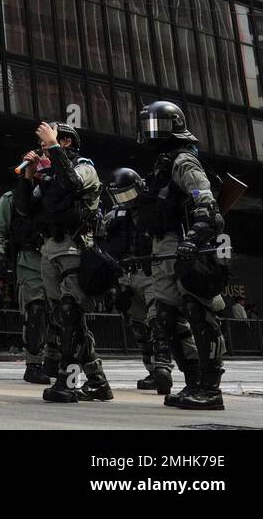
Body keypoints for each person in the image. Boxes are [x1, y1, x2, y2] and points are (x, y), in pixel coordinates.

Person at [137, 101, 228, 411]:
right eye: (148, 124)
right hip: (163, 250)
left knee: (198, 311)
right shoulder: (163, 164)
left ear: (174, 125)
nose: (152, 131)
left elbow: (205, 202)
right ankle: (192, 383)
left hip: (184, 246)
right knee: (165, 316)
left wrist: (195, 237)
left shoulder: (183, 161)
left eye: (158, 124)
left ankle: (210, 388)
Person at [27, 121, 111, 403]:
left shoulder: (85, 167)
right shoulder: (50, 175)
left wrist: (52, 149)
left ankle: (68, 381)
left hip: (75, 246)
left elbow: (73, 183)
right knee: (66, 319)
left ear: (65, 143)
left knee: (69, 312)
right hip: (51, 248)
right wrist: (27, 176)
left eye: (51, 141)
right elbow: (26, 209)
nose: (44, 146)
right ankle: (98, 382)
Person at [99, 168, 180, 395]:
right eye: (120, 197)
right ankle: (153, 370)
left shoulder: (152, 207)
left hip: (150, 271)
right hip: (126, 274)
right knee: (138, 326)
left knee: (158, 321)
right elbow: (104, 241)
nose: (125, 201)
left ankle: (163, 366)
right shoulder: (115, 216)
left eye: (127, 195)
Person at [0, 181, 57, 385]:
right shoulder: (13, 199)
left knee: (62, 314)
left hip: (59, 259)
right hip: (30, 262)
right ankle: (33, 364)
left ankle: (55, 359)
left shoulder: (59, 192)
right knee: (35, 311)